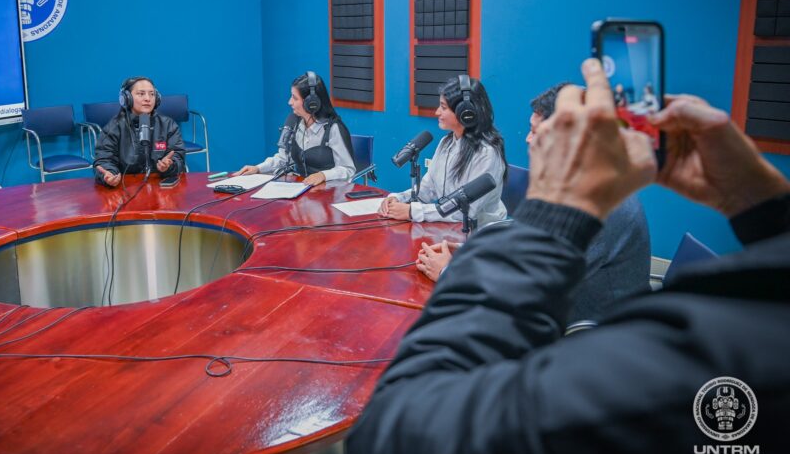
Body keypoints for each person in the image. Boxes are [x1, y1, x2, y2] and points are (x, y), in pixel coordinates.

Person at [342, 59, 790, 454]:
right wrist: (764, 208)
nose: (531, 142)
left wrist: (464, 272)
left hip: (576, 333)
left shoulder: (610, 214)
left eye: (541, 134)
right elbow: (523, 240)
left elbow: (397, 446)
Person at [415, 82, 651, 326]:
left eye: (538, 132)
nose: (528, 139)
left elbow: (528, 292)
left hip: (593, 335)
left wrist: (450, 274)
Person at [380, 75, 507, 227]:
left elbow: (466, 211)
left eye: (443, 107)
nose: (437, 112)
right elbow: (428, 188)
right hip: (448, 228)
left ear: (466, 112)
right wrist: (399, 199)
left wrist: (412, 211)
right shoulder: (446, 143)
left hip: (478, 234)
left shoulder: (487, 153)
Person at [234, 71, 356, 186]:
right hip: (302, 191)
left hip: (329, 193)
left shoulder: (333, 128)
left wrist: (324, 175)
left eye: (295, 98)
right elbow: (284, 158)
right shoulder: (294, 121)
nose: (289, 102)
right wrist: (258, 168)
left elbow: (348, 170)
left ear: (311, 102)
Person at [93, 76, 183, 185]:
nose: (147, 98)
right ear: (126, 98)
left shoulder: (168, 125)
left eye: (152, 94)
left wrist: (169, 166)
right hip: (127, 187)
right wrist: (110, 175)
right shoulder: (114, 127)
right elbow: (104, 160)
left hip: (159, 185)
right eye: (141, 94)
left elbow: (178, 157)